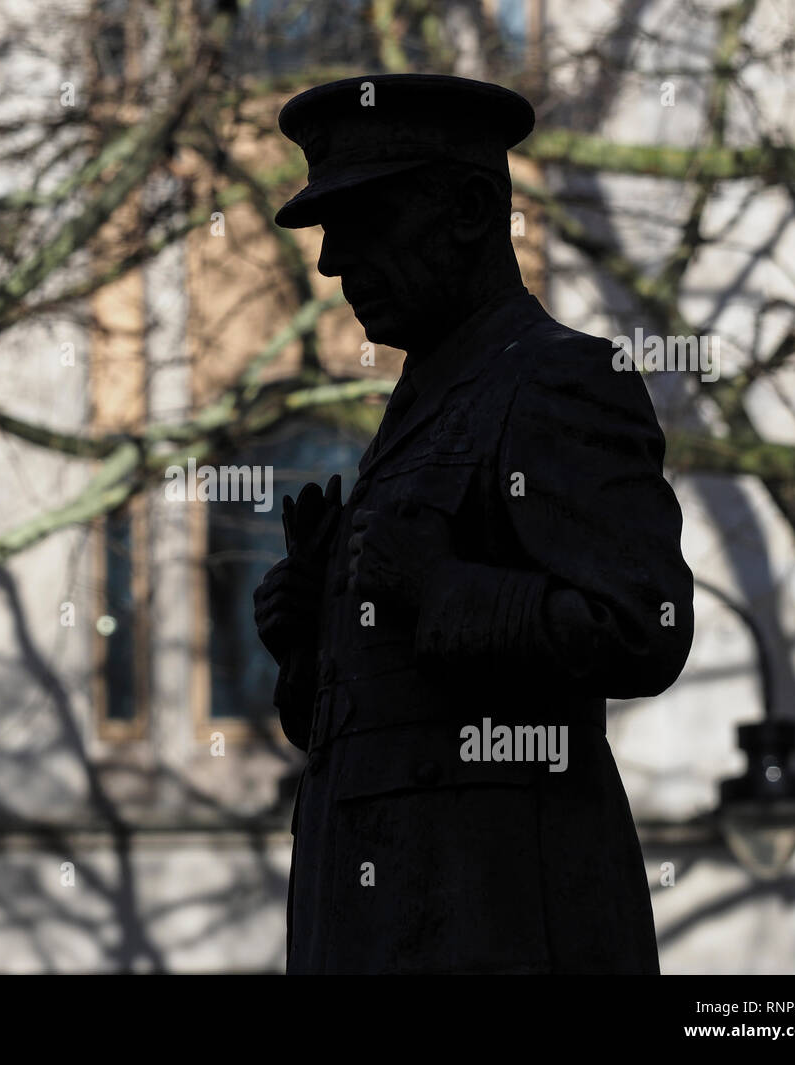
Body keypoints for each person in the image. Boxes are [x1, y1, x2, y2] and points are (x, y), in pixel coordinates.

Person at [253, 73, 695, 974]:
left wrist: (441, 589)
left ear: (468, 208)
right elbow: (377, 723)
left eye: (363, 219)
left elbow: (644, 628)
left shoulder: (558, 381)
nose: (333, 261)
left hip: (503, 928)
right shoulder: (420, 410)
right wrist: (310, 642)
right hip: (381, 925)